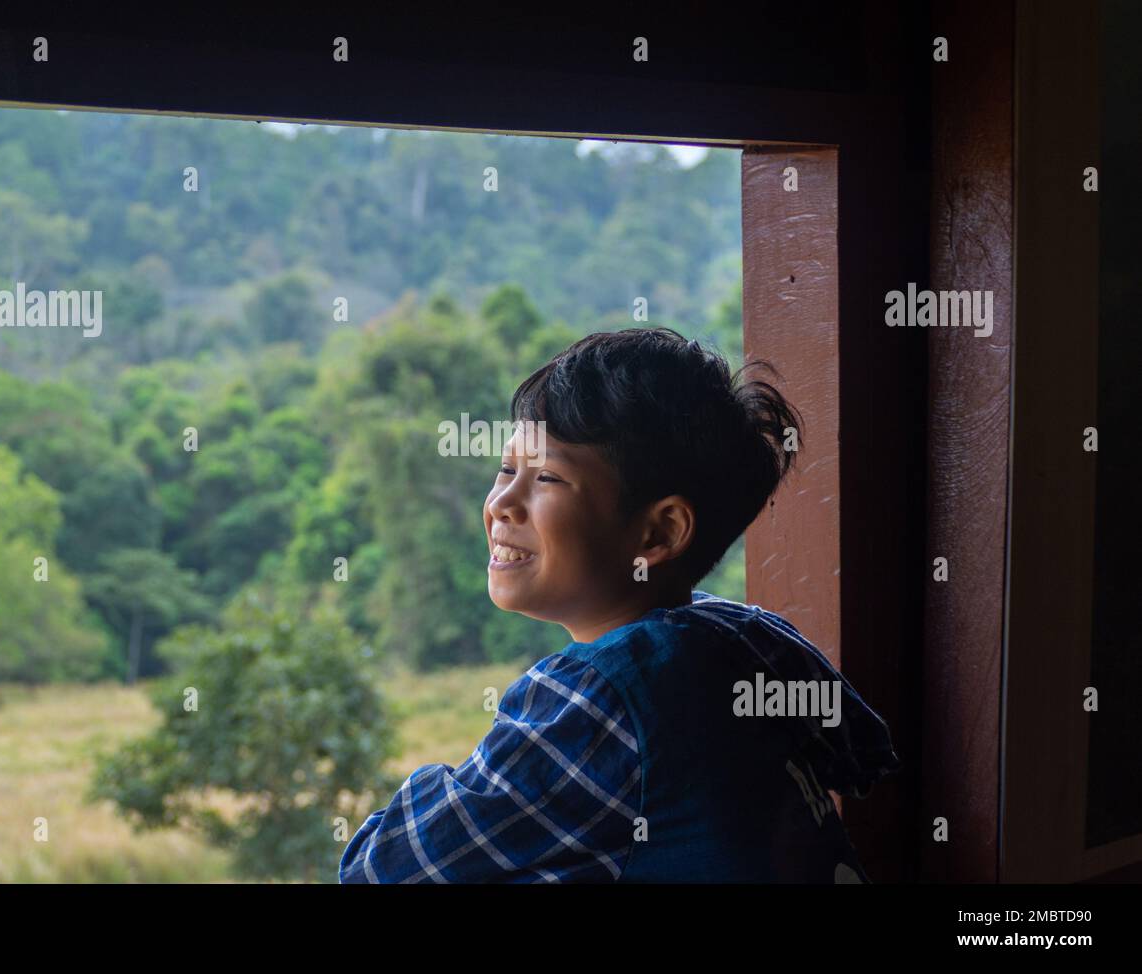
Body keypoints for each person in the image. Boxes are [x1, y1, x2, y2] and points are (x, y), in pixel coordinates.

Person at [339, 326, 900, 883]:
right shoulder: (743, 638)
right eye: (508, 469)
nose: (502, 503)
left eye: (549, 477)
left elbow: (384, 868)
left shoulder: (602, 698)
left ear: (658, 534)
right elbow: (863, 751)